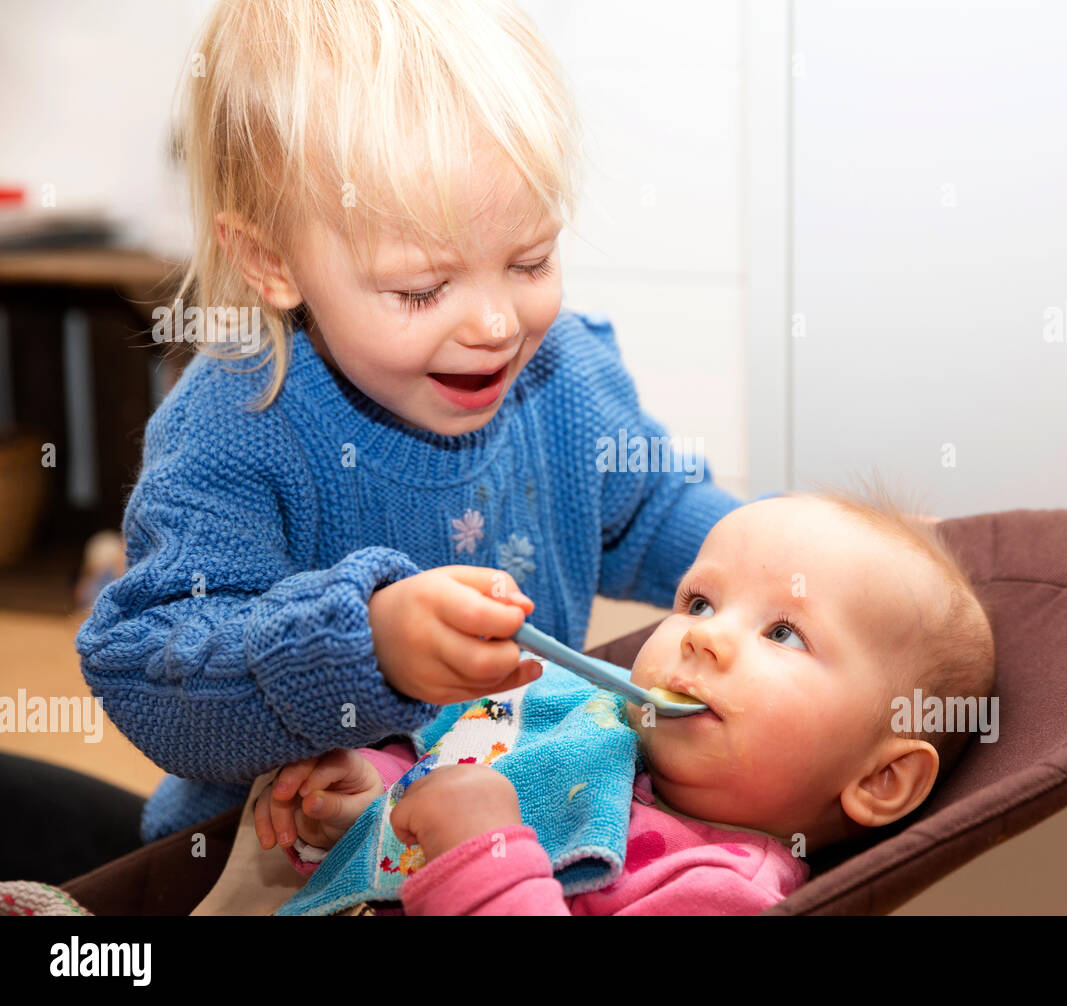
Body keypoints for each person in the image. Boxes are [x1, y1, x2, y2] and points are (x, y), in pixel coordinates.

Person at [74, 0, 742, 847]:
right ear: (269, 261)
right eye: (423, 290)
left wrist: (786, 558)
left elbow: (651, 512)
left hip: (508, 835)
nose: (497, 324)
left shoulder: (560, 373)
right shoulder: (231, 431)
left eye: (530, 260)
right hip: (279, 872)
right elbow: (149, 671)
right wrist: (364, 646)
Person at [257, 491, 997, 915]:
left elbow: (476, 831)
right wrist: (366, 804)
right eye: (700, 601)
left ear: (880, 780)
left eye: (784, 634)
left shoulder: (721, 888)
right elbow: (454, 782)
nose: (705, 639)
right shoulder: (584, 725)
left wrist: (482, 851)